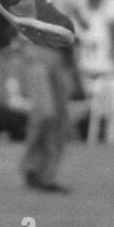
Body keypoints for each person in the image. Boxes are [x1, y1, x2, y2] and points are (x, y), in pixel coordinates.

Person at [15, 33, 73, 192]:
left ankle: (46, 176)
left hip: (59, 52)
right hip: (35, 49)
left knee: (59, 119)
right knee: (46, 113)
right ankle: (30, 165)